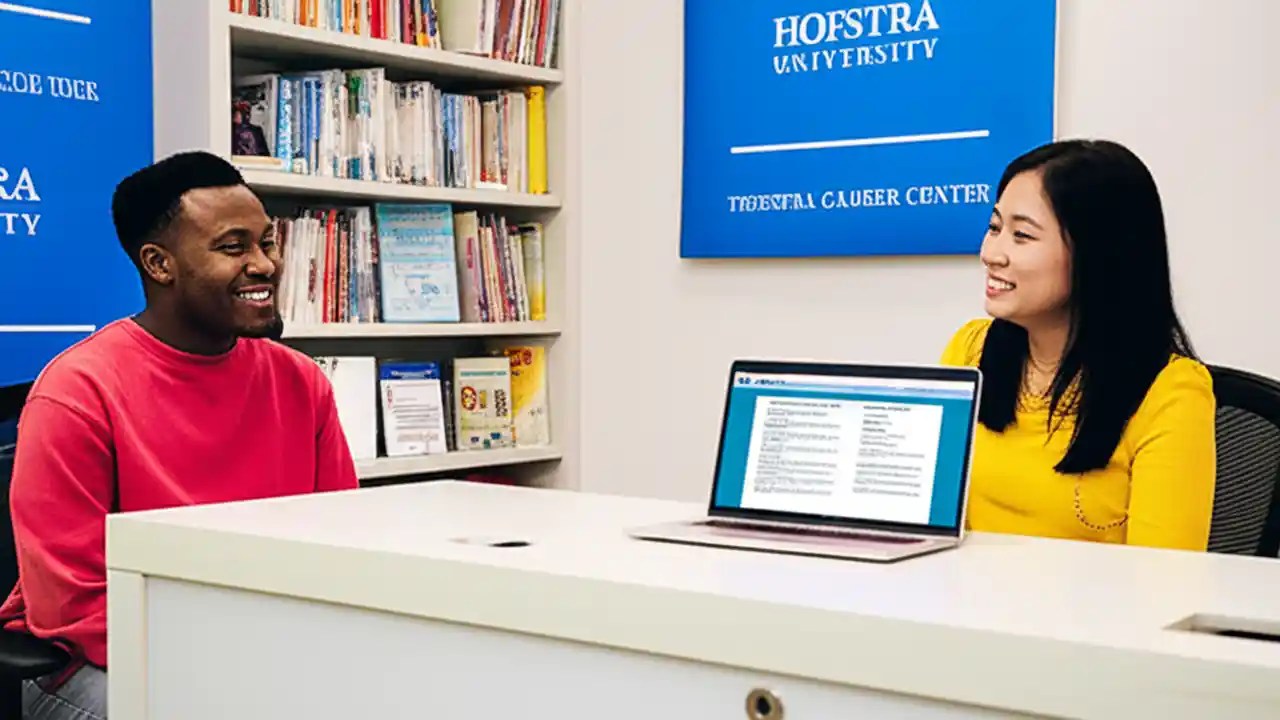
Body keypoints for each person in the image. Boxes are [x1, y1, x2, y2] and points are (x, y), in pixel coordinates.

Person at [3, 151, 360, 719]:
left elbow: (343, 547)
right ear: (158, 264)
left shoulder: (301, 383)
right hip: (102, 663)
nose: (265, 264)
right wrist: (230, 671)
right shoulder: (77, 391)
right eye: (233, 247)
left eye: (267, 242)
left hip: (260, 650)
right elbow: (75, 606)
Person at [941, 139, 1215, 551]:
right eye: (995, 227)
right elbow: (930, 520)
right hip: (955, 609)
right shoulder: (970, 350)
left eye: (1022, 236)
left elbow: (1164, 586)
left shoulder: (1172, 393)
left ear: (1096, 254)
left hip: (1089, 615)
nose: (991, 253)